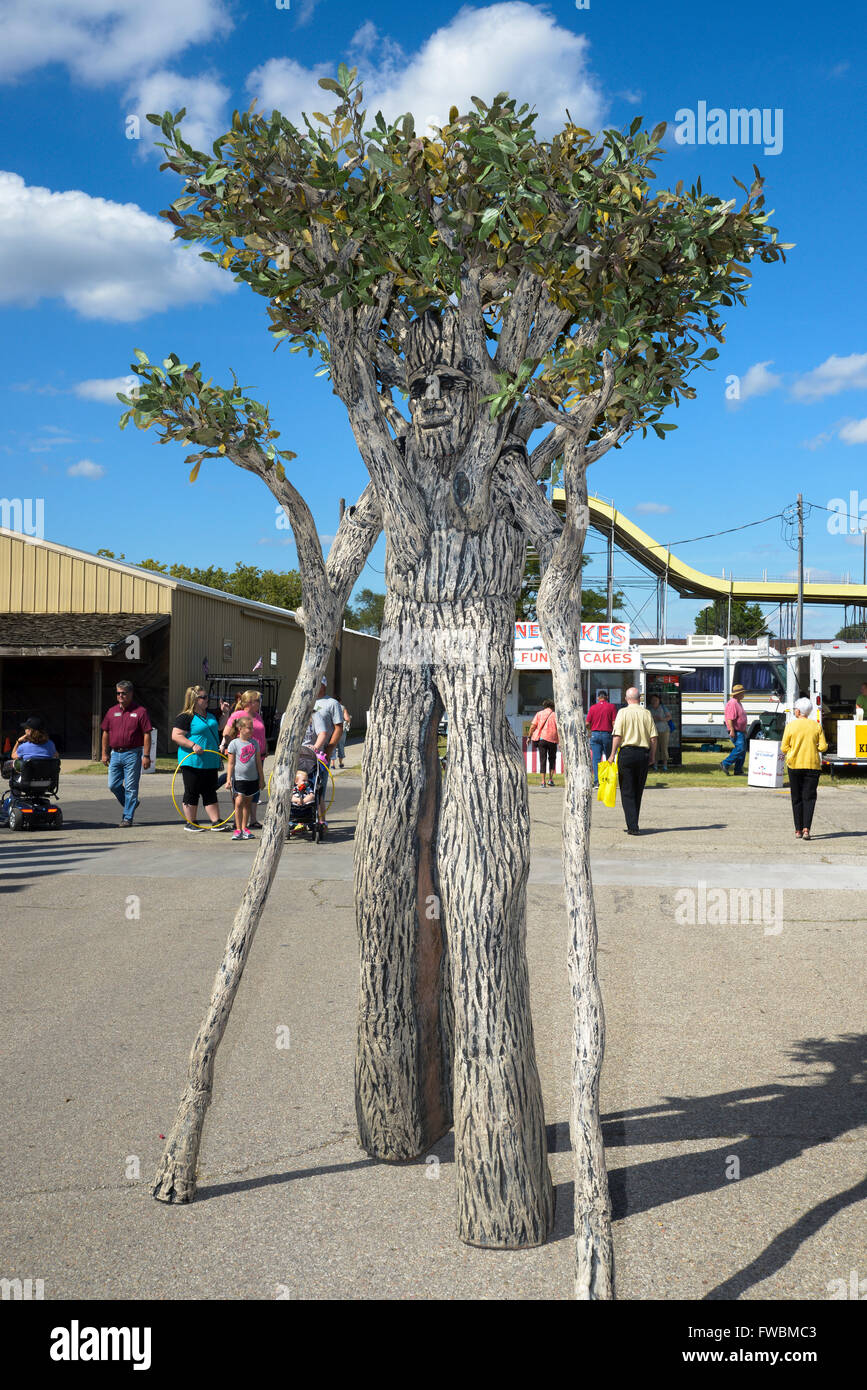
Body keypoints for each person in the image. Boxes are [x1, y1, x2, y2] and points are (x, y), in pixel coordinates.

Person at [171, 686, 225, 831]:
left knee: (210, 790)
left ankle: (216, 821)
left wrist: (225, 713)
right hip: (192, 760)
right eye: (203, 697)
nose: (207, 699)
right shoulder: (185, 717)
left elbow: (219, 728)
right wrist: (192, 745)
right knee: (192, 790)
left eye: (207, 696)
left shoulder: (210, 715)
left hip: (210, 760)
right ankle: (191, 822)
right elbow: (176, 735)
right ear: (194, 700)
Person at [100, 679, 152, 827]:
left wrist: (146, 756)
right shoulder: (111, 712)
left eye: (124, 693)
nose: (120, 696)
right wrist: (104, 753)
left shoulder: (140, 712)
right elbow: (105, 732)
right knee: (113, 785)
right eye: (118, 693)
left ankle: (127, 817)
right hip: (115, 753)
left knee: (130, 787)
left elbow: (147, 733)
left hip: (133, 754)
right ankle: (131, 803)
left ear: (131, 694)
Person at [609, 687, 657, 835]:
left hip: (626, 754)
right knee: (638, 790)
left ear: (626, 698)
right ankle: (634, 821)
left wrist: (612, 754)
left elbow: (617, 735)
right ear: (640, 698)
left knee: (627, 790)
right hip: (642, 753)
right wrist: (652, 756)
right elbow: (654, 738)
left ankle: (632, 825)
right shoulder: (646, 713)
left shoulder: (622, 712)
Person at [781, 698, 828, 841]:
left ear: (798, 711)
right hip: (812, 765)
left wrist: (792, 751)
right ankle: (807, 829)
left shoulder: (791, 726)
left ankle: (797, 830)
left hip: (794, 765)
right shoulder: (816, 726)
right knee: (809, 798)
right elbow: (823, 747)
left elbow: (784, 748)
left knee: (796, 798)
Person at [221, 690, 267, 827]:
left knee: (255, 787)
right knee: (241, 789)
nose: (259, 703)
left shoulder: (258, 716)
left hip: (259, 756)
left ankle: (252, 819)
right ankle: (239, 822)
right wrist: (226, 745)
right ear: (250, 702)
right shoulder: (238, 715)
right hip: (243, 756)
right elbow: (227, 732)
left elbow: (261, 734)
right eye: (257, 701)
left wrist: (265, 746)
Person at [301, 679, 344, 824]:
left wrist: (330, 747)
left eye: (317, 683)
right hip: (302, 754)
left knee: (318, 787)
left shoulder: (331, 703)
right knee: (301, 786)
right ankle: (302, 817)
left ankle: (319, 820)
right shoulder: (305, 701)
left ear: (324, 685)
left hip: (320, 753)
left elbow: (338, 727)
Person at [226, 715, 264, 840]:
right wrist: (228, 780)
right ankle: (237, 829)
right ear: (240, 729)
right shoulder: (234, 744)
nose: (252, 730)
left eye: (252, 728)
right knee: (239, 802)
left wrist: (261, 779)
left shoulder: (254, 743)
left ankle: (244, 828)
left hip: (252, 779)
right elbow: (231, 763)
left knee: (248, 803)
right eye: (249, 728)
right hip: (239, 778)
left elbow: (258, 762)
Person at [585, 689, 617, 787]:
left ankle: (597, 781)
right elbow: (614, 722)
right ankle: (609, 780)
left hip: (595, 734)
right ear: (607, 697)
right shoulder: (611, 707)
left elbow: (587, 723)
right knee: (609, 757)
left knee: (596, 759)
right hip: (607, 734)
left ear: (598, 698)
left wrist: (590, 731)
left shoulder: (593, 707)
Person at [528, 699, 558, 786]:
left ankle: (542, 781)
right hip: (553, 739)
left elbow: (533, 726)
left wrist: (529, 737)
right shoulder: (555, 715)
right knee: (552, 759)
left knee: (542, 760)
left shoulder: (539, 714)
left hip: (542, 739)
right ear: (552, 706)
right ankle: (550, 779)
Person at [720, 682, 748, 776]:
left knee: (742, 750)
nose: (744, 694)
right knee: (740, 749)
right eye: (742, 693)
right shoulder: (733, 703)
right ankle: (725, 763)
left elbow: (740, 718)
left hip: (740, 731)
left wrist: (744, 729)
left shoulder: (738, 702)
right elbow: (730, 718)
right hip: (735, 730)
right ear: (738, 694)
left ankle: (738, 770)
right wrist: (732, 730)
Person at [648, 693, 672, 772]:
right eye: (652, 700)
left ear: (659, 701)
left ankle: (665, 766)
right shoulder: (649, 708)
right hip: (653, 731)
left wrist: (662, 719)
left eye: (656, 700)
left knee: (664, 748)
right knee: (655, 749)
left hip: (664, 730)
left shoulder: (663, 707)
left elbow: (669, 717)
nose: (654, 701)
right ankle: (655, 765)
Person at [331, 703, 351, 769]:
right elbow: (347, 718)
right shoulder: (342, 707)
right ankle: (340, 763)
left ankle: (332, 764)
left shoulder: (329, 706)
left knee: (332, 745)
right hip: (341, 729)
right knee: (341, 746)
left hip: (331, 729)